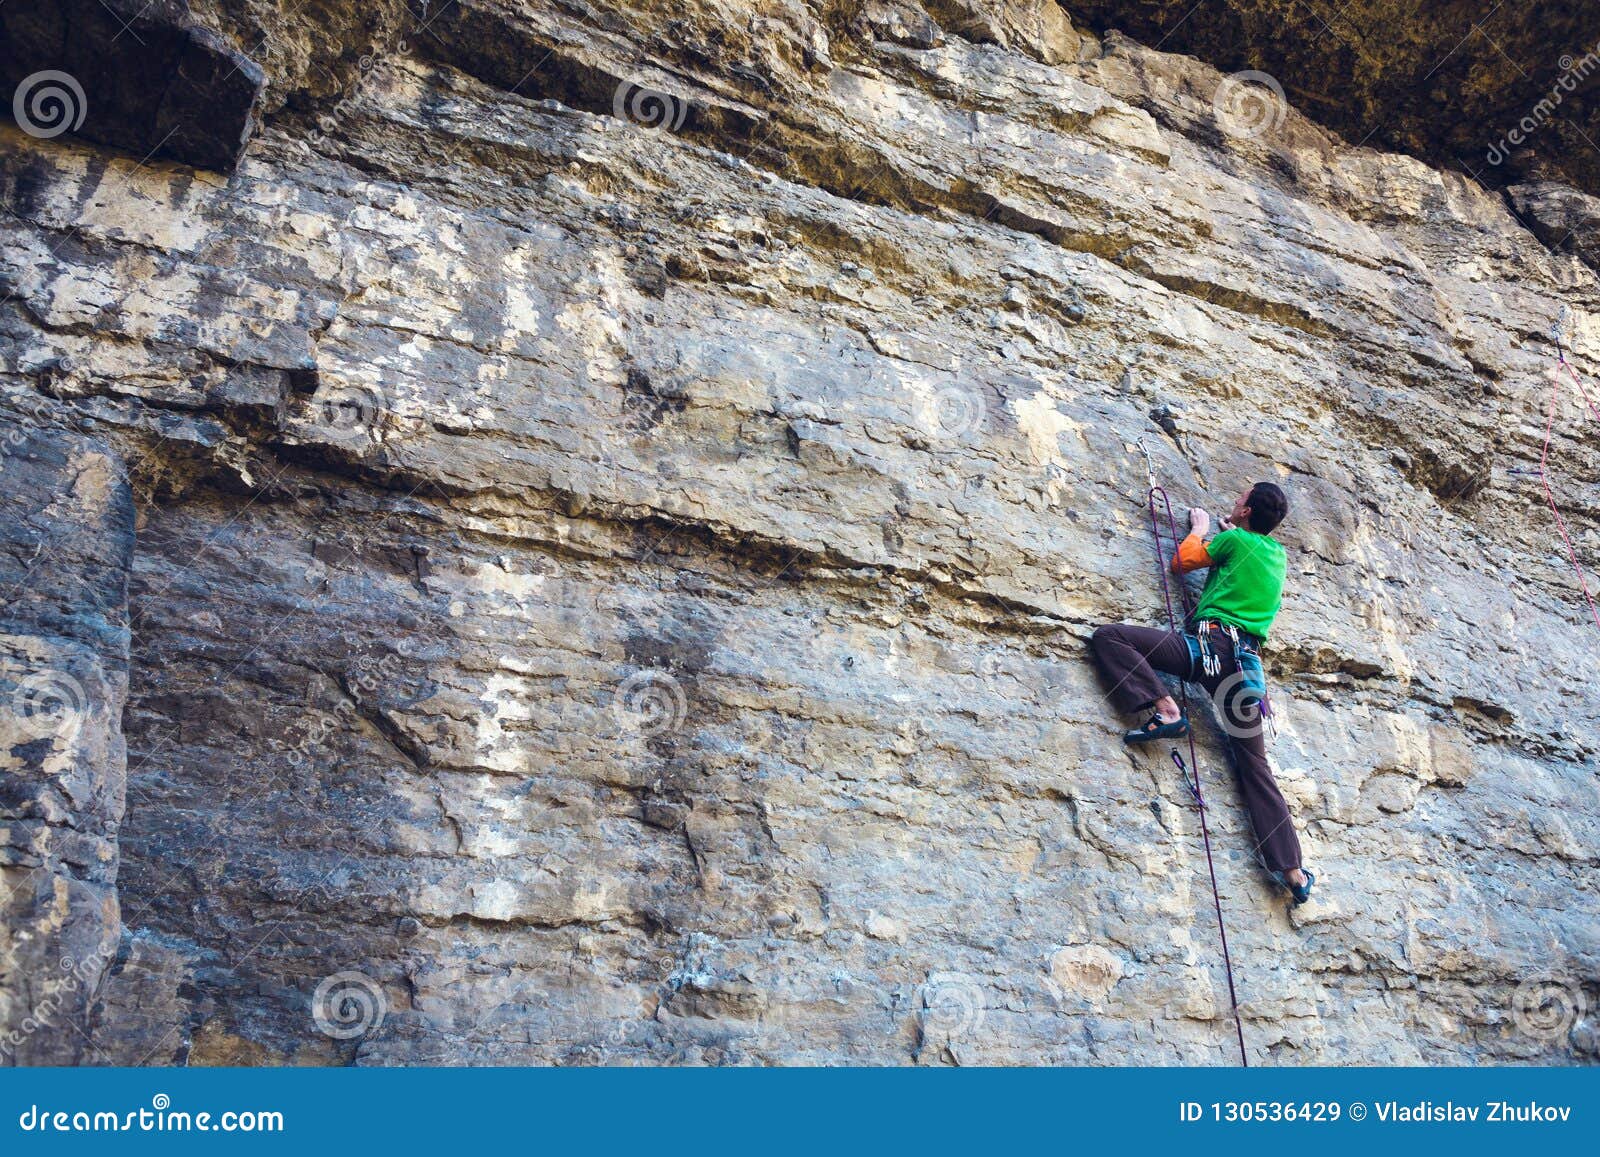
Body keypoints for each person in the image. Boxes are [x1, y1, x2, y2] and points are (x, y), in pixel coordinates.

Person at [1089, 481, 1314, 906]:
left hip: (1207, 652)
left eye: (1239, 497)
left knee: (1112, 637)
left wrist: (1200, 529)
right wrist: (1231, 535)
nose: (1235, 498)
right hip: (1244, 674)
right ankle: (1294, 872)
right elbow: (1241, 557)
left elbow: (1182, 562)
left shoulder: (1230, 538)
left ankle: (1166, 709)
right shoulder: (1275, 554)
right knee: (1255, 769)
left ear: (1246, 511)